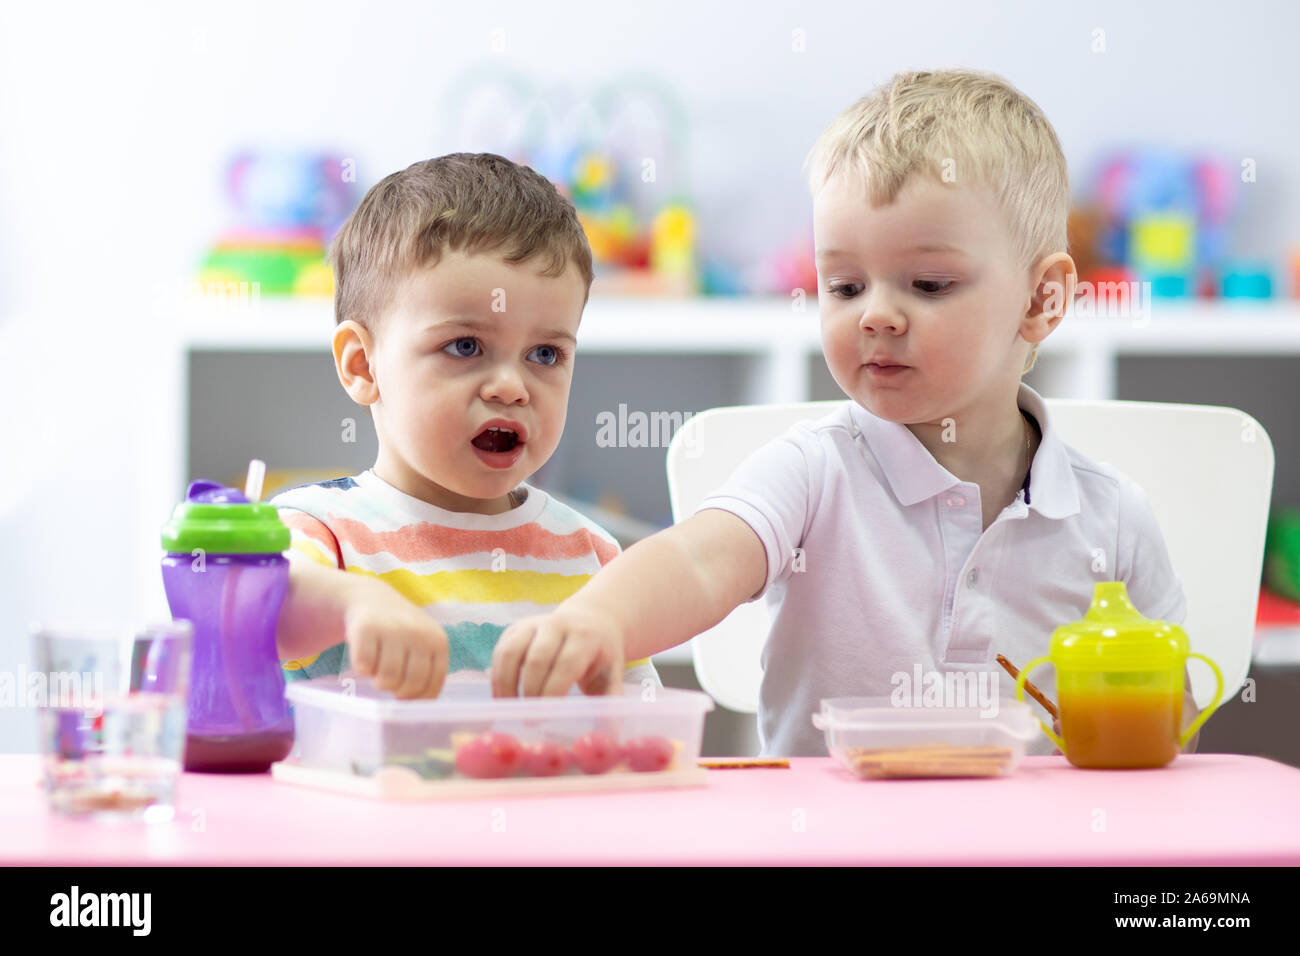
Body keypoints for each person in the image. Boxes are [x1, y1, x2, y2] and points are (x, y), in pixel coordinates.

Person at [492, 69, 1200, 756]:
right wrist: (596, 620)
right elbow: (699, 560)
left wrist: (1138, 714)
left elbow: (1178, 728)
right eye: (845, 284)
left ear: (1043, 299)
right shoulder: (811, 472)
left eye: (928, 283)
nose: (877, 315)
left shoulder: (1110, 518)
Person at [271, 153, 660, 699]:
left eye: (545, 354)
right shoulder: (320, 531)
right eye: (465, 346)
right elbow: (262, 607)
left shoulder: (589, 555)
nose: (512, 386)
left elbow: (636, 723)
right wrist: (356, 604)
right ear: (362, 365)